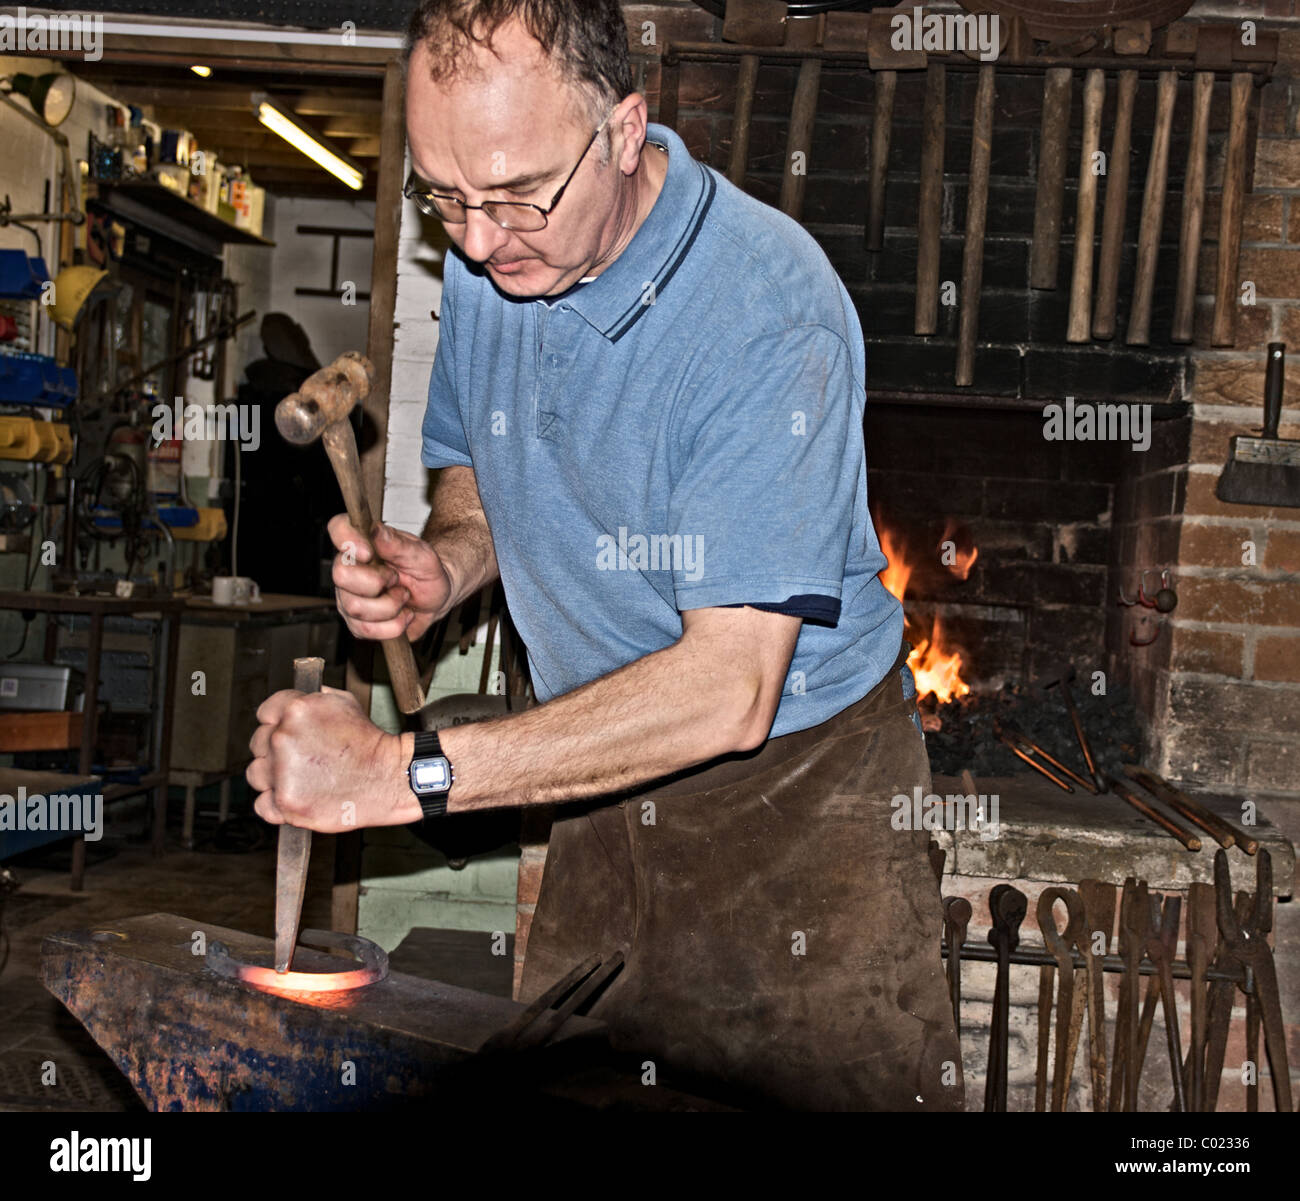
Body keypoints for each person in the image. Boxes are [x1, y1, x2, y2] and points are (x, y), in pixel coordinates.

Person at [247, 0, 962, 1110]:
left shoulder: (766, 315)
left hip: (797, 795)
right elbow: (475, 470)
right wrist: (446, 561)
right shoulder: (496, 261)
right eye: (446, 200)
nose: (479, 242)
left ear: (625, 132)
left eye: (518, 196)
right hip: (599, 770)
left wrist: (401, 777)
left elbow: (729, 689)